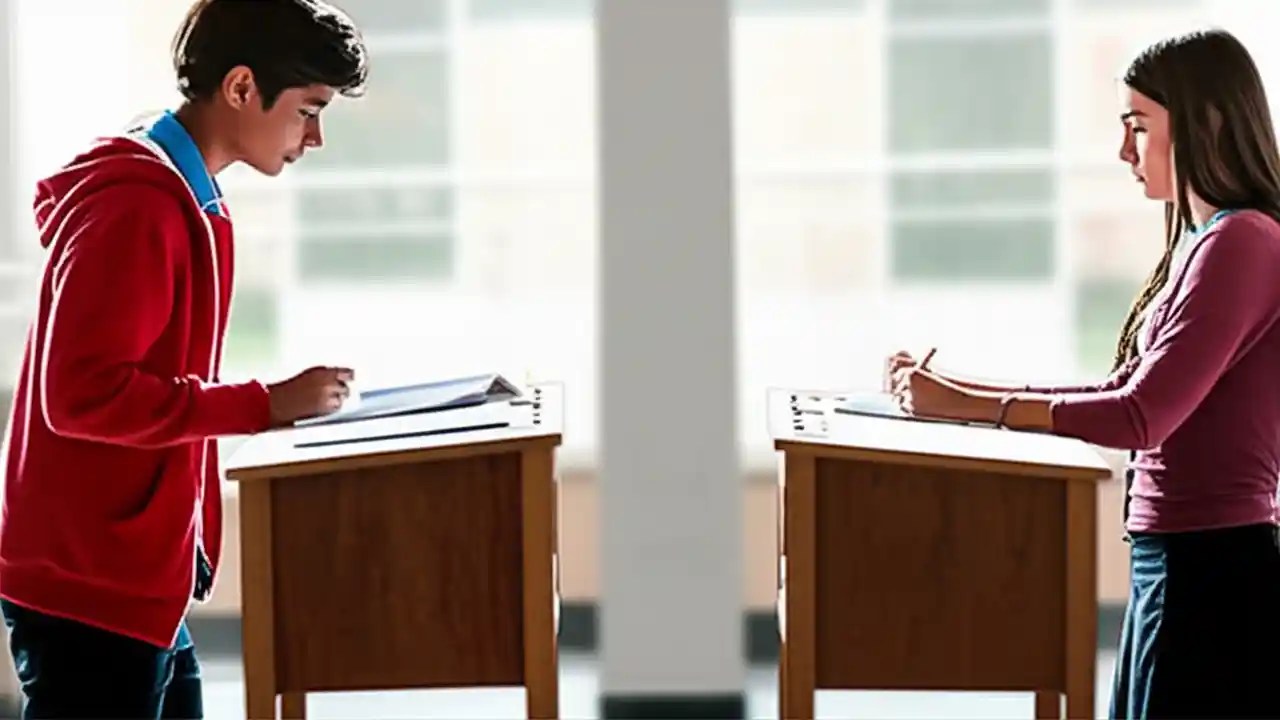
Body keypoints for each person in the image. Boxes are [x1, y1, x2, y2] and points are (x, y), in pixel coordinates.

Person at [888, 27, 1280, 719]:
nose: (1124, 152)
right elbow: (1122, 386)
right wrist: (955, 396)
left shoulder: (1243, 242)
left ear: (1206, 123)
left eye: (1139, 127)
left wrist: (969, 407)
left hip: (1213, 572)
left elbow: (1140, 416)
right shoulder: (1201, 242)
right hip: (1174, 562)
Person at [0, 1, 369, 716]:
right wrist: (263, 404)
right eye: (308, 110)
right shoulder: (140, 207)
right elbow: (81, 396)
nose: (315, 137)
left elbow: (151, 378)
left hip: (135, 579)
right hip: (91, 588)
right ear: (239, 88)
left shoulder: (187, 197)